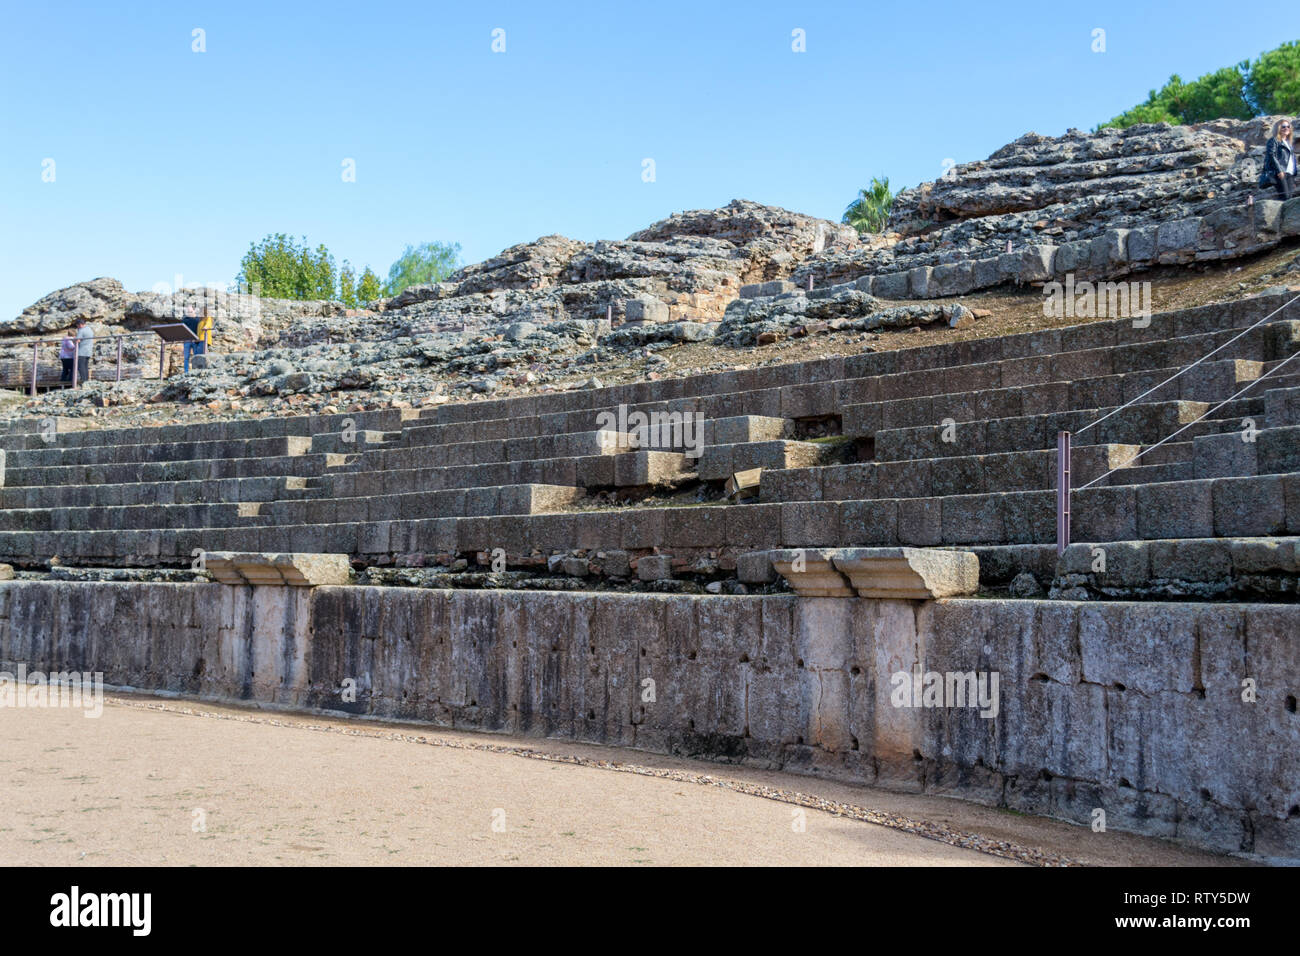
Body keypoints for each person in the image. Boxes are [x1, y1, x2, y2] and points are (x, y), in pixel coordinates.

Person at [1260, 118, 1297, 200]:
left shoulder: (1288, 143)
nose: (1286, 128)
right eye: (1283, 126)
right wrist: (1279, 170)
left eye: (1288, 126)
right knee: (1285, 197)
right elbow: (1271, 155)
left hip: (1290, 173)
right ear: (1278, 128)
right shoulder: (1274, 140)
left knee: (1290, 198)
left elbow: (1291, 160)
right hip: (1280, 172)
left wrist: (1294, 174)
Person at [182, 306, 213, 373]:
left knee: (199, 354)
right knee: (192, 355)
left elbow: (208, 324)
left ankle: (202, 370)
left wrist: (205, 327)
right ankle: (192, 371)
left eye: (191, 311)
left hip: (203, 339)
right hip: (197, 340)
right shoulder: (199, 320)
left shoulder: (206, 318)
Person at [74, 317, 94, 385]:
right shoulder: (89, 329)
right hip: (88, 351)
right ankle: (86, 380)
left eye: (77, 325)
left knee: (80, 366)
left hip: (81, 351)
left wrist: (73, 340)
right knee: (85, 366)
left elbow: (78, 340)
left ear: (79, 324)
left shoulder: (81, 330)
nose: (77, 327)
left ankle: (83, 381)